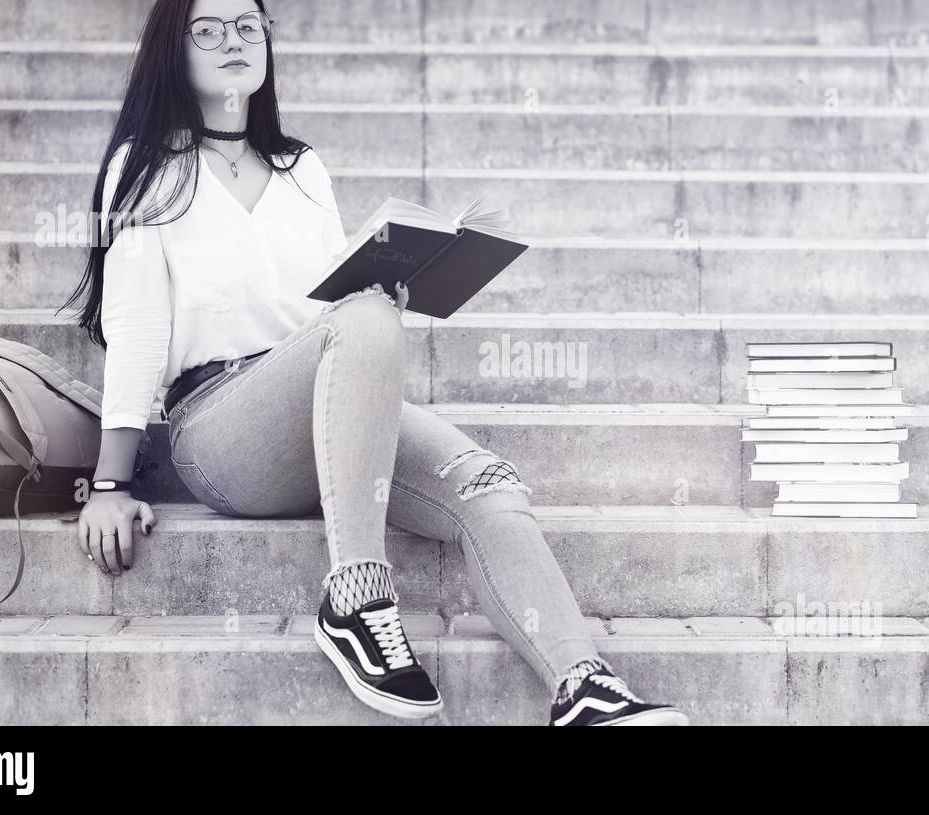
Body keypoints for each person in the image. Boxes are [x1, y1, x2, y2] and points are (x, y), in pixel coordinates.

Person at [59, 0, 688, 726]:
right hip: (221, 429)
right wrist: (109, 480)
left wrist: (383, 287)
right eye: (209, 28)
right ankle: (356, 598)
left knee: (483, 482)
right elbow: (135, 329)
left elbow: (328, 306)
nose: (233, 41)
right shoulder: (145, 172)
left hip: (325, 410)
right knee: (359, 320)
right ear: (174, 48)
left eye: (248, 25)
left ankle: (581, 685)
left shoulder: (302, 168)